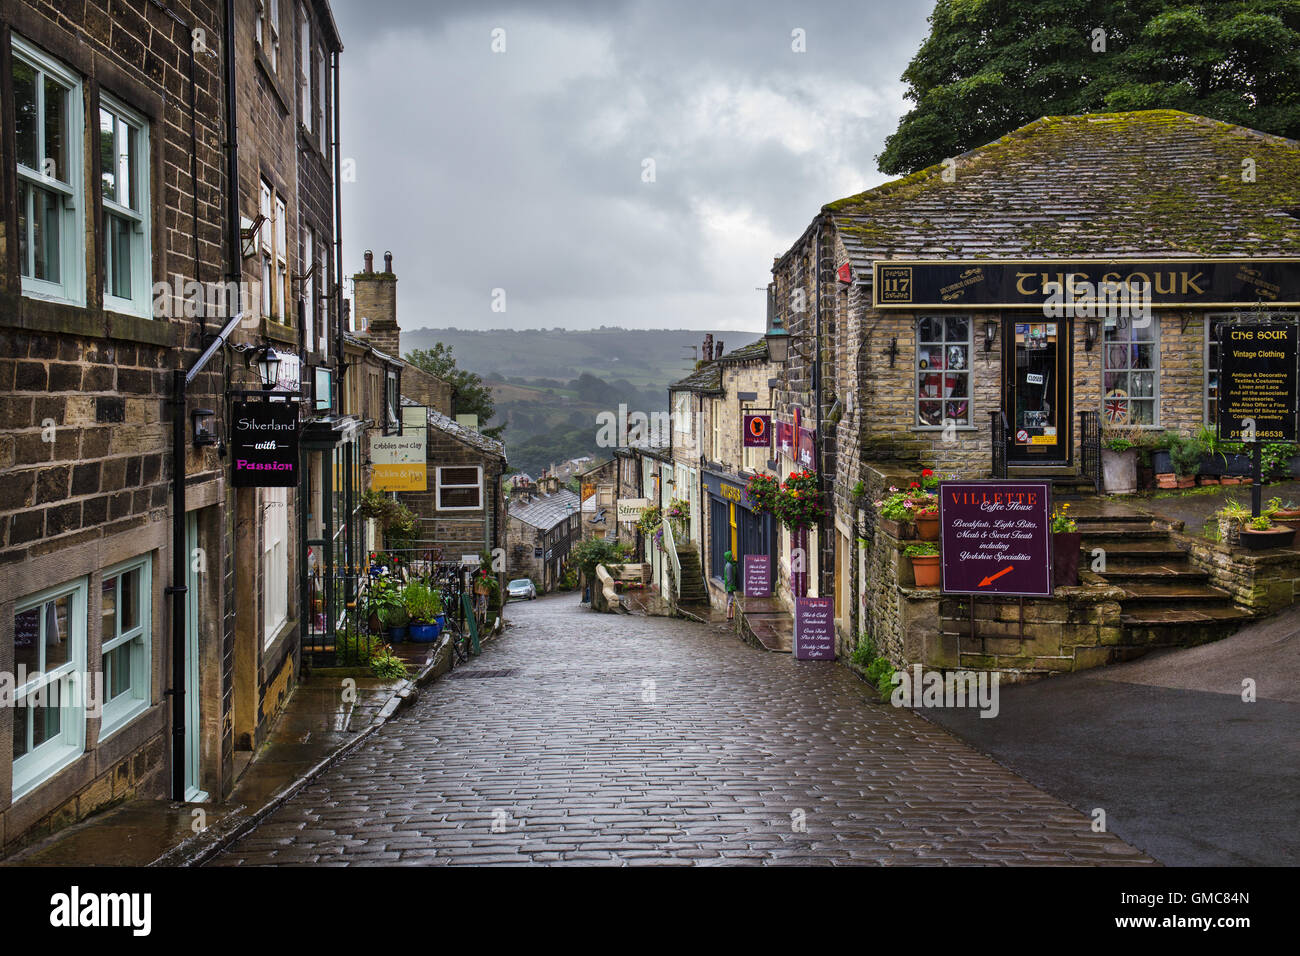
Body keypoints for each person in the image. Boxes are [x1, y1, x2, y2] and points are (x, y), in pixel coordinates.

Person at [723, 550, 738, 620]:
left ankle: (731, 616)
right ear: (729, 557)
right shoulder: (729, 566)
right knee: (730, 601)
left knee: (731, 601)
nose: (734, 555)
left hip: (730, 586)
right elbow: (729, 578)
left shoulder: (730, 564)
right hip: (730, 587)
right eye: (732, 555)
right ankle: (728, 617)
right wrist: (731, 587)